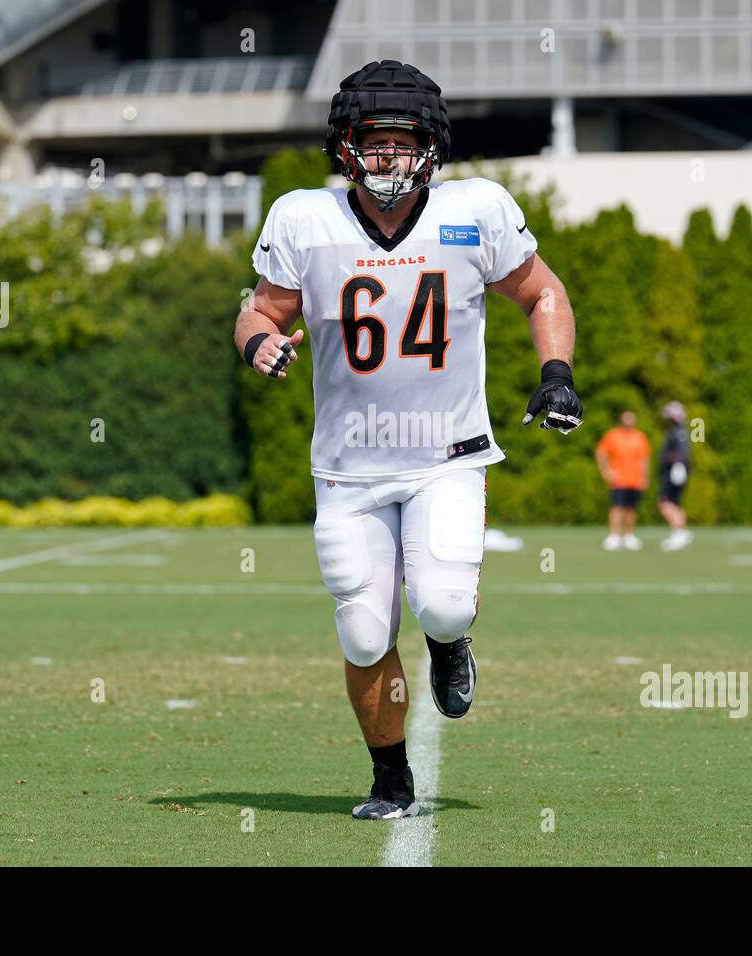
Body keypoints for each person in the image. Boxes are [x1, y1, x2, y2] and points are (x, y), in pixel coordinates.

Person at [234, 60, 582, 820]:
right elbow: (260, 309)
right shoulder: (304, 219)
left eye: (404, 143)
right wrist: (258, 343)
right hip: (349, 466)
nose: (390, 159)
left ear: (432, 147)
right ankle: (390, 777)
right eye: (376, 143)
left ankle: (450, 646)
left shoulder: (477, 210)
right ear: (346, 146)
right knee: (363, 629)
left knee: (446, 605)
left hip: (446, 456)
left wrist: (556, 372)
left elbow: (542, 291)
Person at [596, 410, 651, 551]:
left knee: (631, 509)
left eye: (631, 419)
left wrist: (644, 477)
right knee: (617, 507)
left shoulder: (640, 437)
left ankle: (628, 536)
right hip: (619, 479)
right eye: (626, 418)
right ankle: (614, 536)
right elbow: (601, 453)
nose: (628, 421)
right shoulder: (613, 435)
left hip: (635, 479)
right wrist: (606, 471)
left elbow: (644, 459)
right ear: (621, 420)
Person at [657, 401, 693, 551]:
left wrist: (676, 464)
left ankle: (679, 532)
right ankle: (680, 532)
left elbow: (681, 454)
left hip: (674, 471)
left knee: (665, 502)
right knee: (675, 503)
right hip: (674, 470)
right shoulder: (678, 431)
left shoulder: (678, 432)